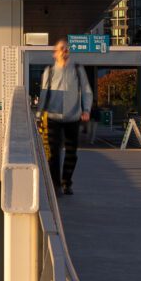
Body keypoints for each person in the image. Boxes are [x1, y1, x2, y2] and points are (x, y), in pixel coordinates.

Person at [36, 39, 94, 197]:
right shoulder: (49, 71)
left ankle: (66, 182)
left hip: (73, 117)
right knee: (53, 153)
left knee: (71, 153)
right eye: (61, 48)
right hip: (53, 117)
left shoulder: (77, 69)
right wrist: (39, 115)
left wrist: (86, 110)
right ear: (55, 54)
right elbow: (44, 94)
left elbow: (86, 91)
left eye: (67, 48)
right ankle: (56, 185)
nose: (65, 50)